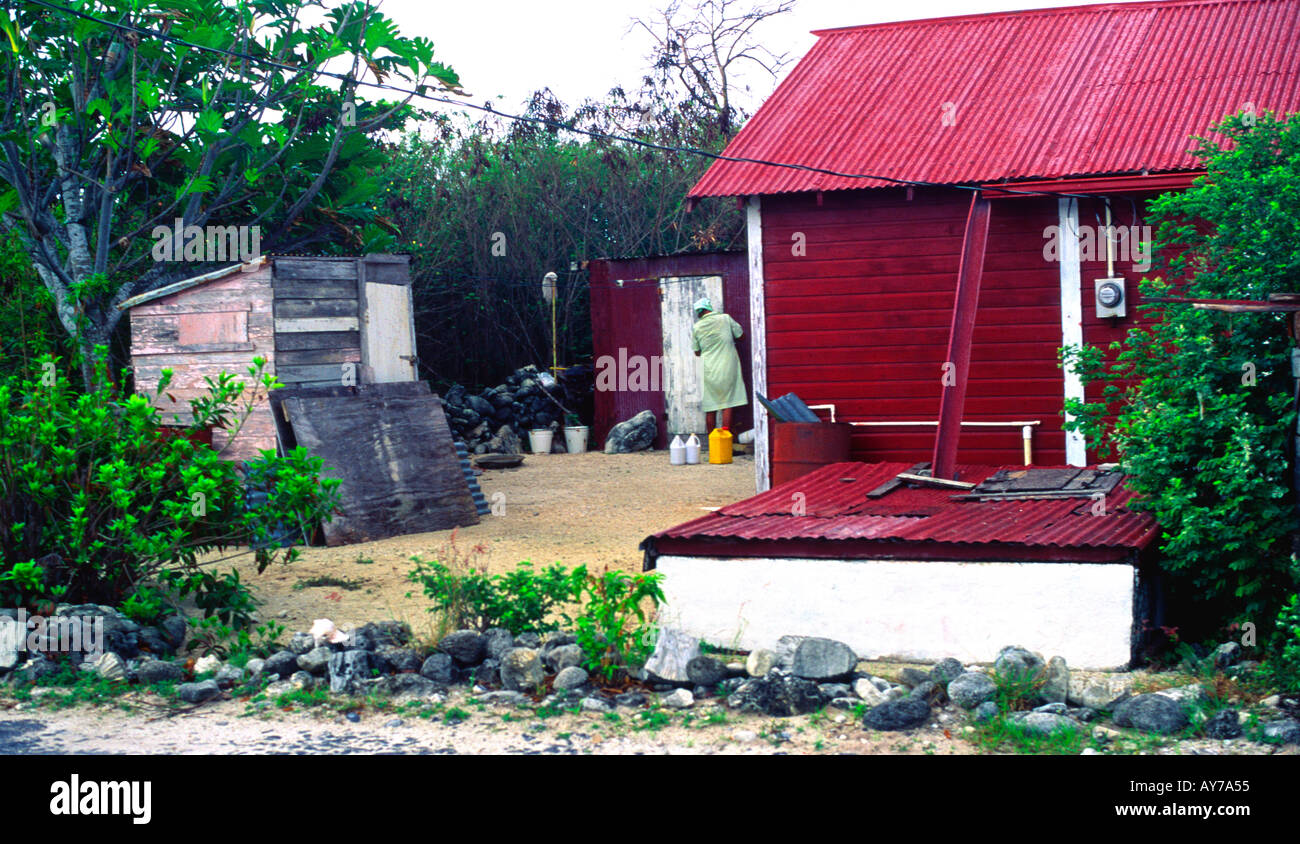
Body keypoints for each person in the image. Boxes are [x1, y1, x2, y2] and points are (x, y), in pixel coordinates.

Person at [690, 297, 747, 430]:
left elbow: (697, 352)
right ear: (709, 308)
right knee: (728, 404)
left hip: (708, 370)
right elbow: (741, 336)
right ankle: (725, 443)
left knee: (710, 407)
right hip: (727, 367)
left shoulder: (697, 327)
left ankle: (713, 444)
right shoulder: (725, 319)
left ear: (699, 313)